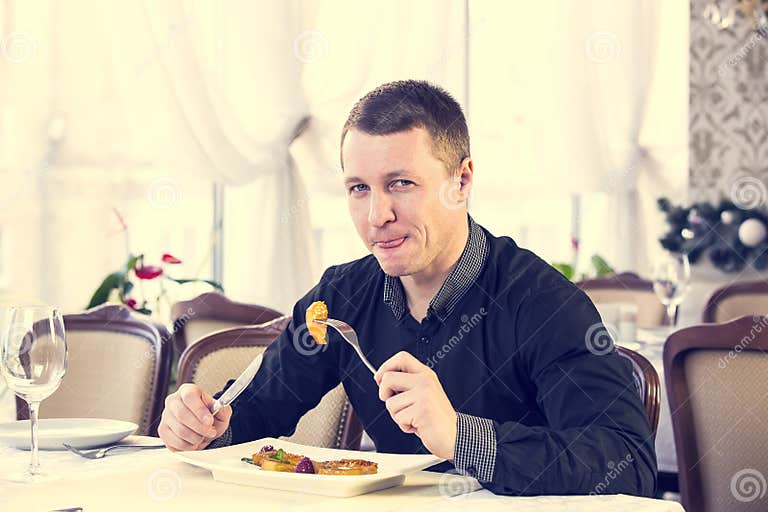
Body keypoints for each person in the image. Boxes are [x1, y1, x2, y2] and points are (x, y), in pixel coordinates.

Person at [158, 80, 657, 496]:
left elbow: (629, 464)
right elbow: (254, 411)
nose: (377, 216)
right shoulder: (340, 299)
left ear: (460, 182)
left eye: (401, 184)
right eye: (359, 188)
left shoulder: (544, 303)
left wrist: (463, 437)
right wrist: (203, 426)